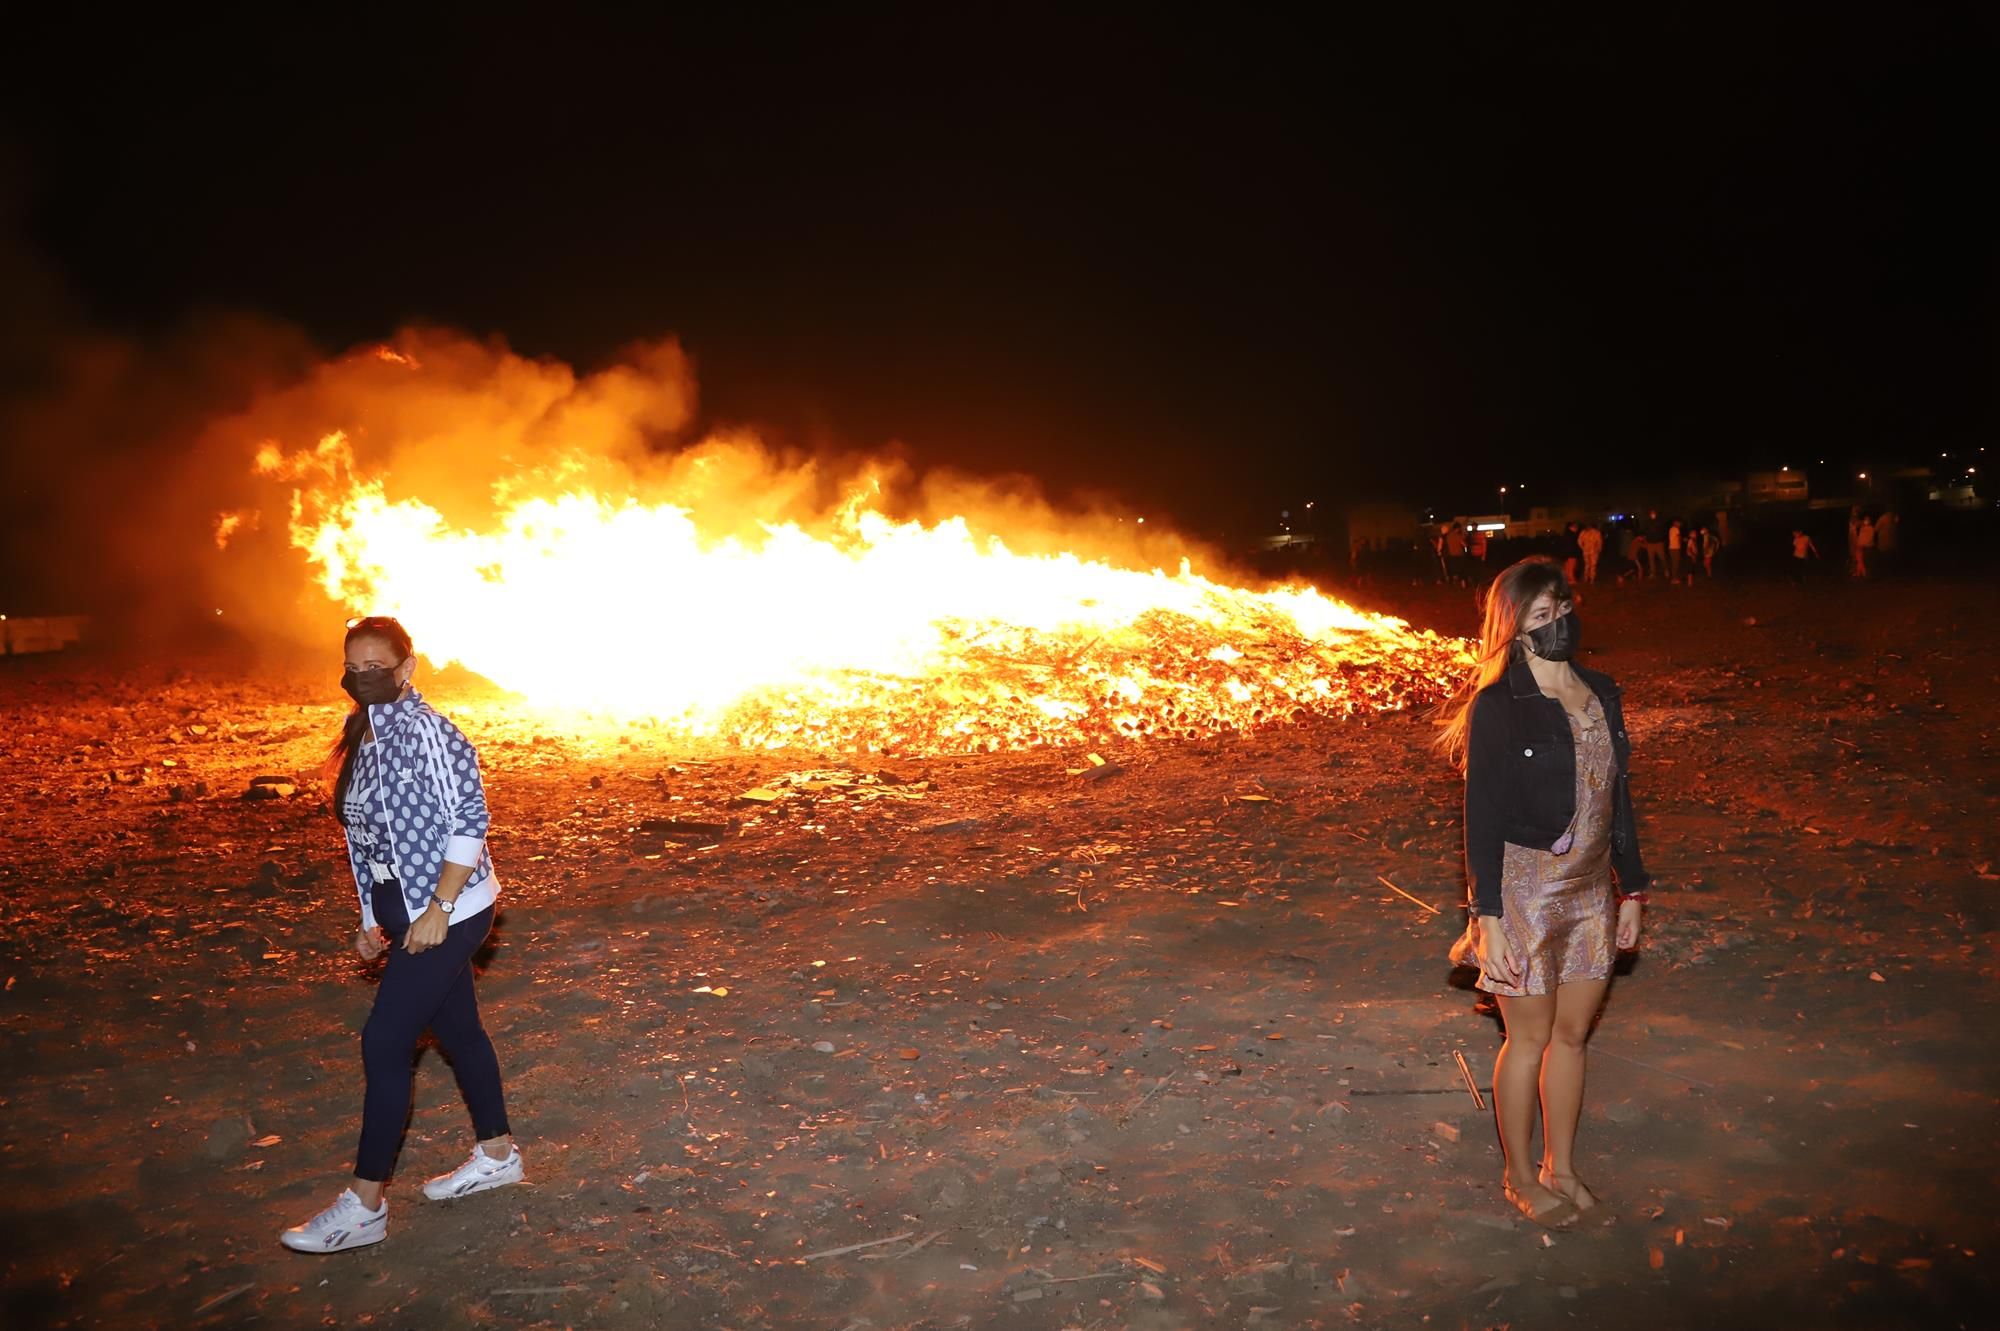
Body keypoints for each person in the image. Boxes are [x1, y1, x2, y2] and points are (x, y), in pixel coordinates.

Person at [281, 616, 523, 1253]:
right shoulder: (362, 735)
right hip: (402, 917)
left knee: (384, 1040)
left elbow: (471, 821)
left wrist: (439, 906)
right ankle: (498, 1155)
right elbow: (365, 840)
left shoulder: (433, 735)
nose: (363, 678)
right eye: (353, 668)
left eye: (376, 668)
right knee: (459, 1031)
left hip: (452, 912)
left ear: (407, 667)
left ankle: (365, 1204)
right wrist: (368, 919)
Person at [1435, 559, 1649, 1227]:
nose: (1557, 621)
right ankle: (1520, 1173)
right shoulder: (1499, 706)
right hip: (1524, 892)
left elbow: (1618, 800)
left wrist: (1634, 887)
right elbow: (1482, 814)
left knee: (1573, 1035)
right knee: (1525, 1040)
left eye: (1562, 607)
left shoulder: (1602, 691)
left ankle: (1563, 1164)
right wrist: (1486, 913)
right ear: (1513, 628)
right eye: (1540, 614)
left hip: (1589, 891)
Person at [1854, 513, 1875, 578]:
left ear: (1870, 521)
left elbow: (1870, 538)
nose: (1866, 521)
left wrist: (1865, 544)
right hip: (1860, 546)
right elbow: (1855, 524)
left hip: (1867, 547)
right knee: (1859, 559)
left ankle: (1864, 573)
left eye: (1868, 520)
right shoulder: (1862, 527)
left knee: (1863, 561)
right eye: (1865, 519)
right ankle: (1859, 573)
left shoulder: (1871, 528)